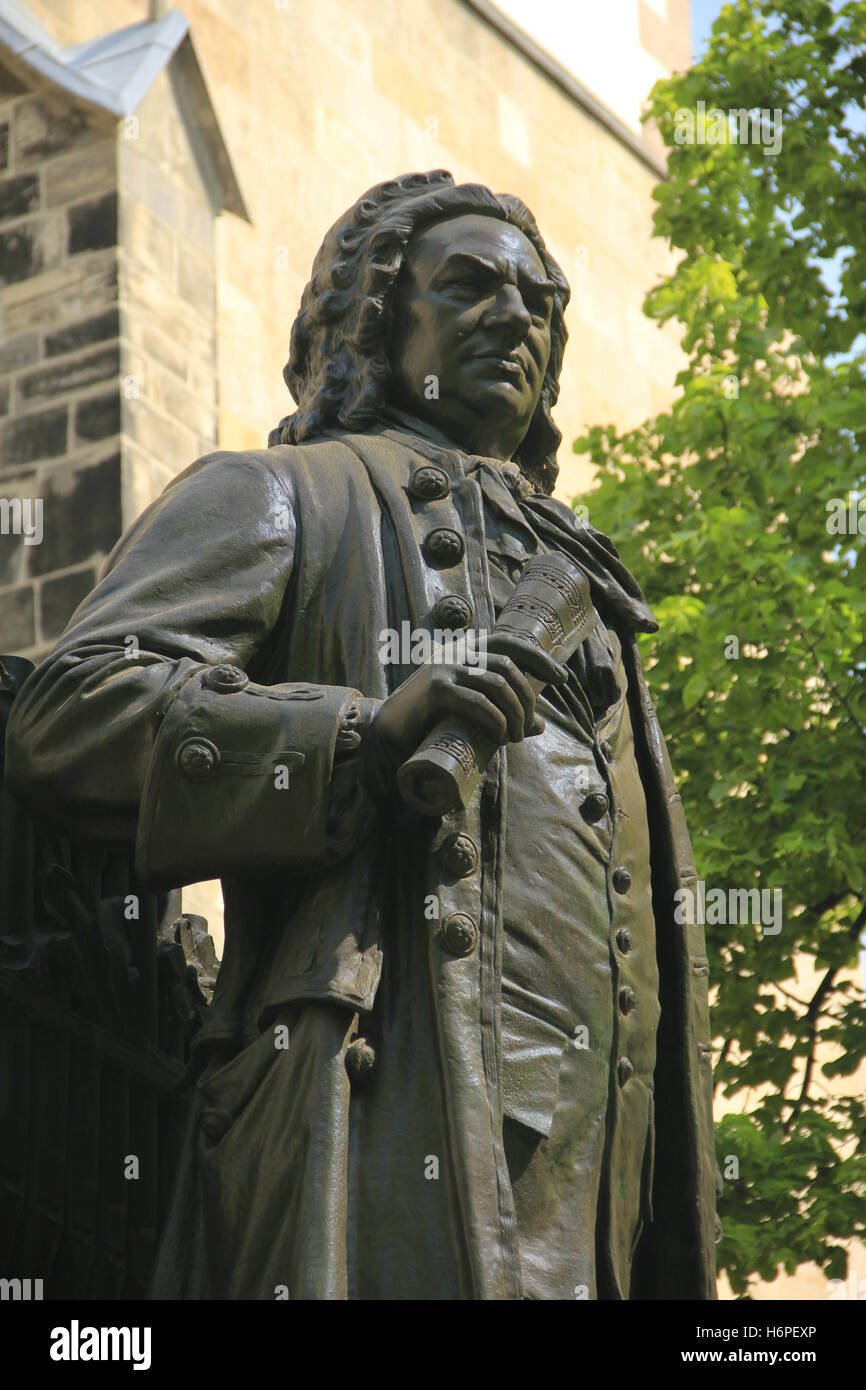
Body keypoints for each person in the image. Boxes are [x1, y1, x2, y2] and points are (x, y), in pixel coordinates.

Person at [6, 170, 718, 1299]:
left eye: (541, 297)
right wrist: (357, 739)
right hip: (382, 1118)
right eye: (472, 285)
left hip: (601, 1198)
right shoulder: (283, 493)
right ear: (382, 321)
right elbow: (69, 713)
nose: (516, 315)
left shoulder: (587, 582)